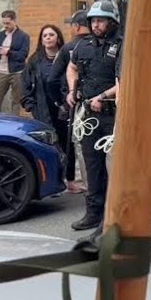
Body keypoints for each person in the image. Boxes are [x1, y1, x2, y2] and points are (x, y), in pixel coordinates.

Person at [65, 0, 123, 232]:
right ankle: (93, 214)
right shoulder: (83, 45)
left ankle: (117, 215)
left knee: (117, 167)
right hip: (89, 115)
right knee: (93, 167)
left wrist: (102, 96)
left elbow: (125, 79)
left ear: (112, 22)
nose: (96, 24)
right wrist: (72, 90)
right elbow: (72, 68)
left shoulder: (121, 45)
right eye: (93, 21)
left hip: (113, 114)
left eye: (100, 20)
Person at [53, 10, 90, 194]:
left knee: (80, 144)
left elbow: (52, 78)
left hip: (76, 104)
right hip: (100, 102)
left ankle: (88, 184)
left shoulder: (68, 48)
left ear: (76, 26)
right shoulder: (100, 45)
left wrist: (61, 100)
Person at [22, 25, 66, 129]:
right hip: (42, 107)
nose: (48, 37)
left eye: (51, 35)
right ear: (42, 41)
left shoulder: (67, 57)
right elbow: (25, 83)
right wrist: (30, 105)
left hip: (63, 107)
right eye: (45, 35)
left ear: (58, 38)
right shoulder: (34, 60)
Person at [0, 10, 31, 114]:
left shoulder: (23, 36)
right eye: (3, 23)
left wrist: (7, 52)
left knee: (16, 100)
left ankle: (14, 121)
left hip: (17, 72)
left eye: (8, 23)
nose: (5, 26)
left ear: (14, 21)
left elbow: (23, 55)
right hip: (1, 71)